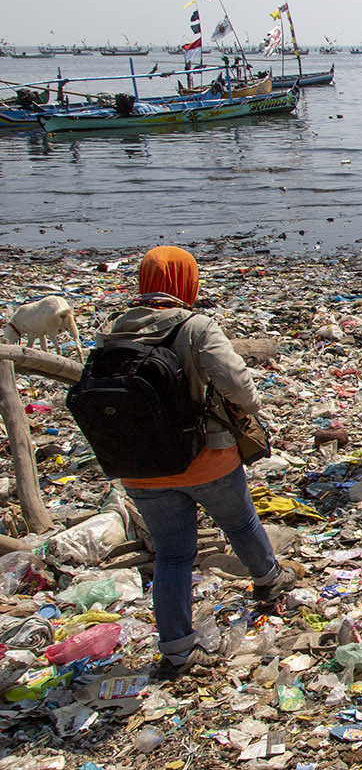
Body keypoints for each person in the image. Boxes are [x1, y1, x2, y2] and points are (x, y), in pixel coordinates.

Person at [101, 246, 296, 678]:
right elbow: (241, 388)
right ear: (185, 281)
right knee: (241, 524)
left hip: (141, 467)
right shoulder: (195, 327)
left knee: (173, 555)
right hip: (204, 459)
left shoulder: (113, 332)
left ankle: (177, 651)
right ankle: (268, 584)